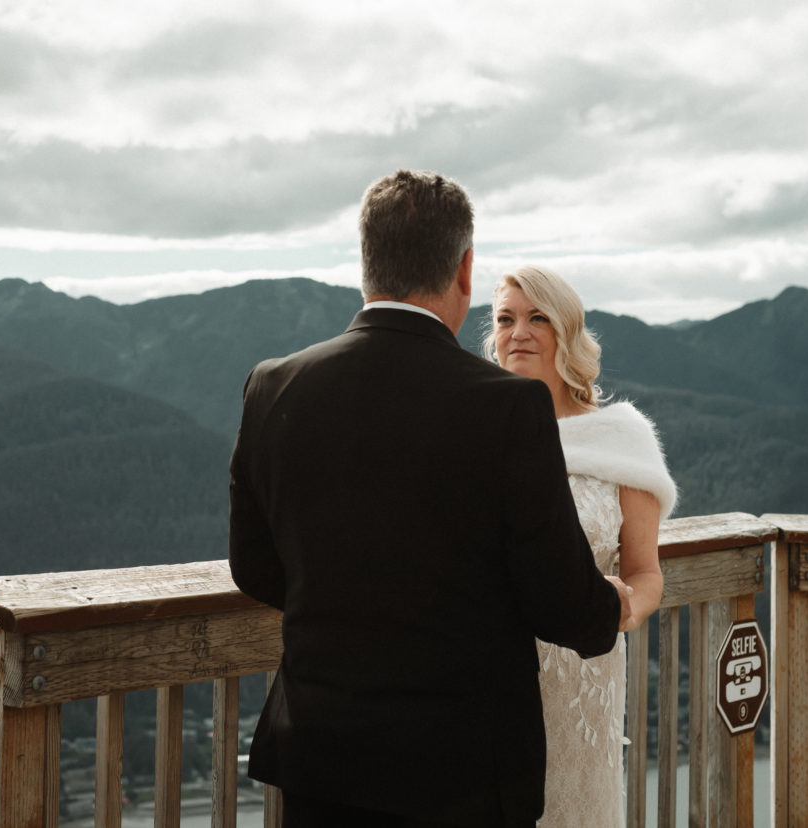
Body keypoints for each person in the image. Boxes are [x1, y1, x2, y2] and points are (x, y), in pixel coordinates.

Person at [229, 170, 632, 827]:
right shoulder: (507, 406)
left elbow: (255, 567)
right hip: (464, 771)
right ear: (465, 269)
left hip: (322, 755)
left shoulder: (273, 385)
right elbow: (560, 599)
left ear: (366, 262)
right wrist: (614, 600)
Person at [483, 266, 677, 828]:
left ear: (566, 332)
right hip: (487, 678)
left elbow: (646, 572)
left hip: (581, 681)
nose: (518, 332)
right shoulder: (479, 430)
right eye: (505, 319)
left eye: (537, 318)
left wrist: (625, 608)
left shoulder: (620, 440)